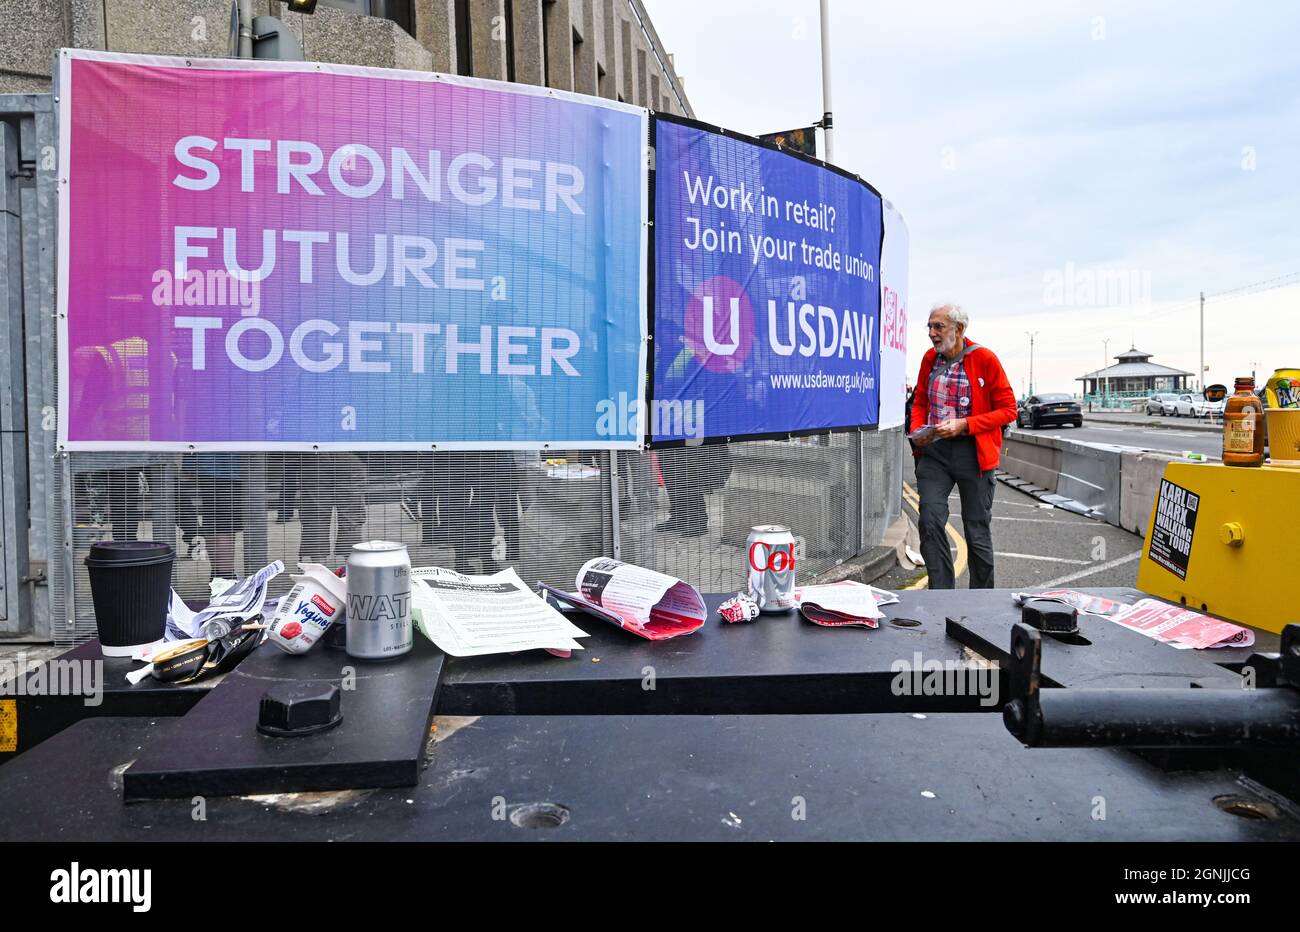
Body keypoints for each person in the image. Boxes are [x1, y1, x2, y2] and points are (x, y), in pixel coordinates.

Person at [909, 303, 1016, 589]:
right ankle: (941, 594)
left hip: (974, 453)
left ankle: (981, 599)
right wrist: (918, 430)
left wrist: (965, 424)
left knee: (976, 530)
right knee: (930, 520)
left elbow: (1008, 410)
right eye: (929, 326)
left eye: (938, 326)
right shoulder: (929, 359)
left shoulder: (985, 359)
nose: (932, 333)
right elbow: (920, 401)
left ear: (959, 329)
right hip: (935, 453)